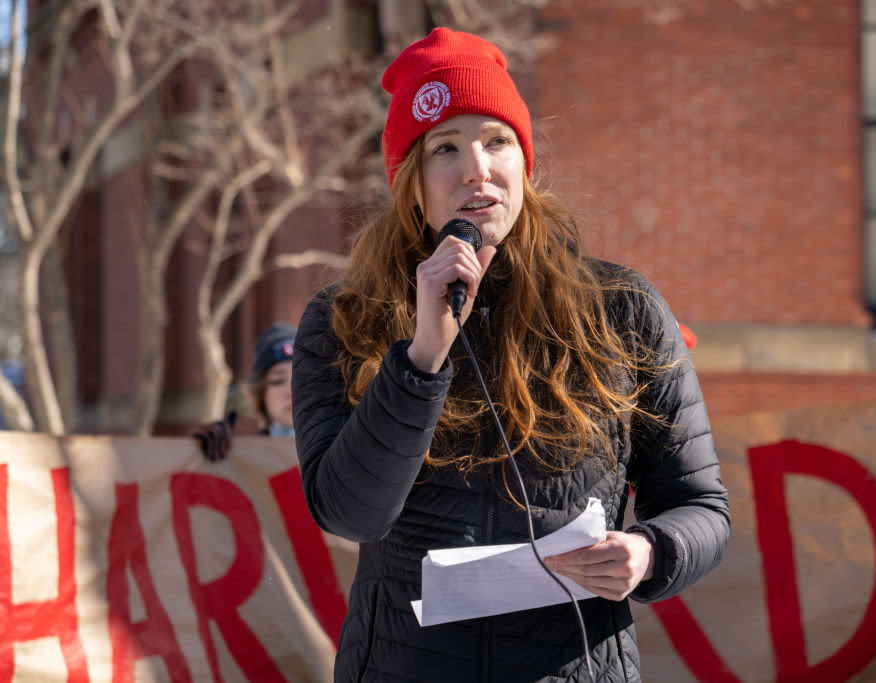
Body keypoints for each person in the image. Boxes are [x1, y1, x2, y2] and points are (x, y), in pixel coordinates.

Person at [291, 28, 730, 682]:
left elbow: (702, 508)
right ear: (411, 184)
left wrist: (648, 550)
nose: (477, 168)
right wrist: (422, 355)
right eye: (446, 147)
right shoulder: (342, 319)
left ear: (525, 162)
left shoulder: (622, 308)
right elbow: (349, 510)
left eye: (496, 141)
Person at [193, 322, 296, 461]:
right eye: (277, 381)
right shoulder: (247, 460)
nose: (290, 391)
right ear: (261, 394)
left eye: (302, 381)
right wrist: (208, 460)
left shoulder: (334, 455)